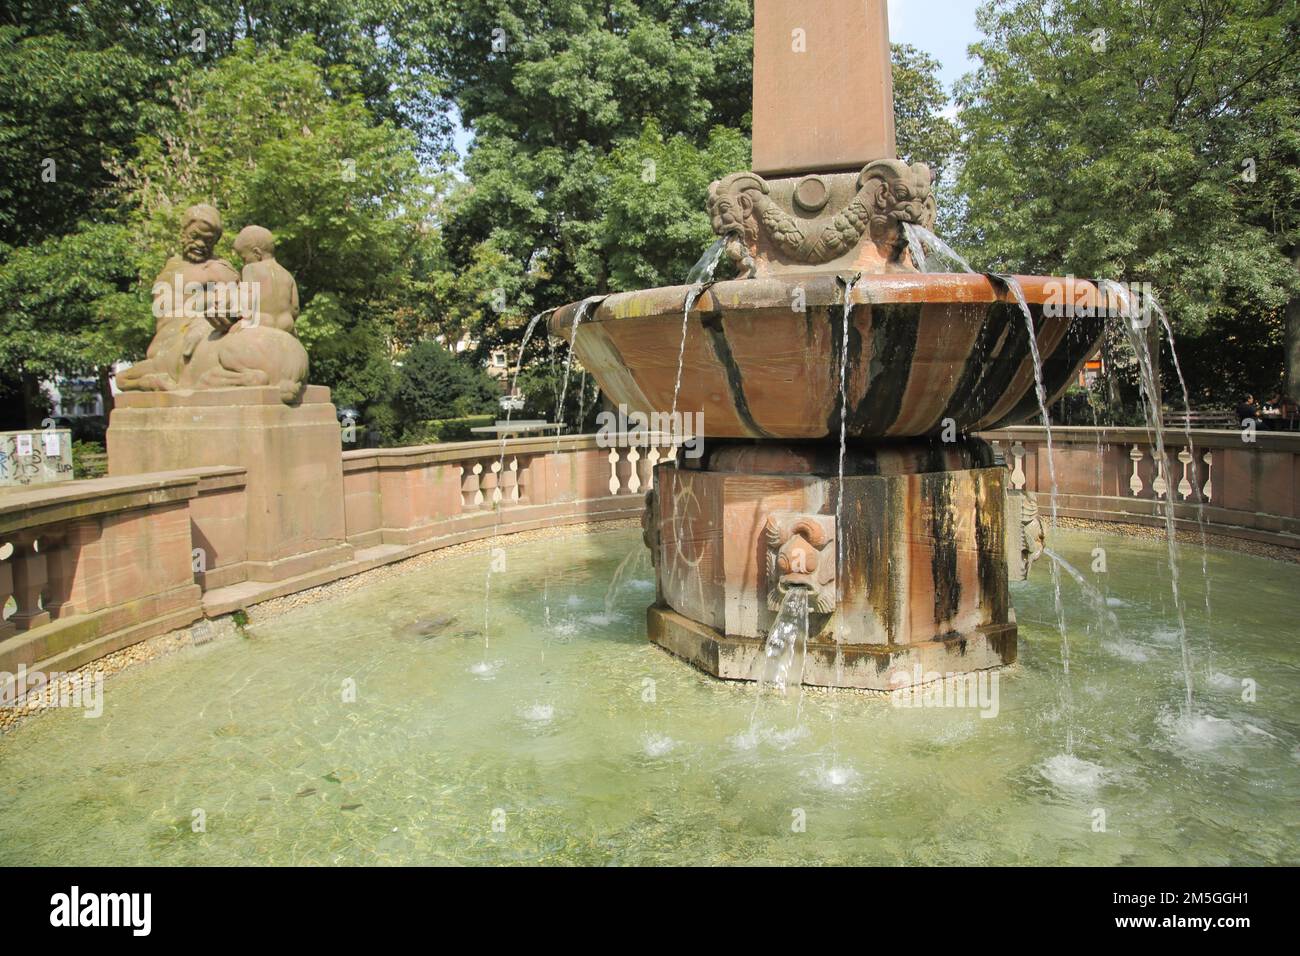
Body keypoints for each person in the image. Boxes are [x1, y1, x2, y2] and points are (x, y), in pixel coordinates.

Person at [231, 225, 300, 335]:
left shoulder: (251, 269)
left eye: (244, 258)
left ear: (257, 253)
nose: (244, 263)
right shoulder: (287, 275)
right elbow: (295, 308)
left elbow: (247, 300)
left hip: (263, 322)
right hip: (286, 325)